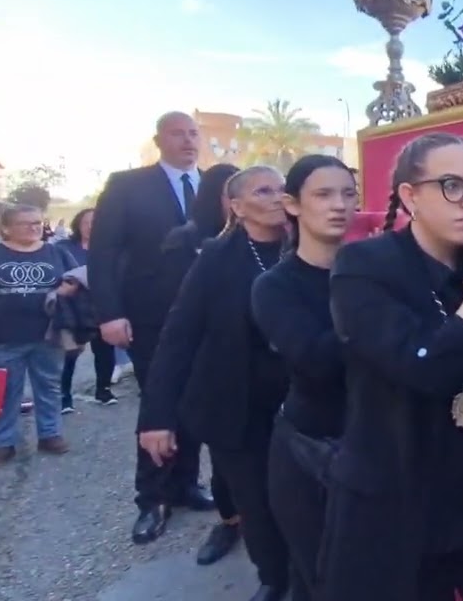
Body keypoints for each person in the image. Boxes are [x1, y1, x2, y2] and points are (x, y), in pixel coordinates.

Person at [321, 132, 463, 601]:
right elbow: (428, 367)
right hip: (394, 497)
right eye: (452, 186)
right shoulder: (363, 266)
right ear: (410, 196)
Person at [139, 165, 291, 601]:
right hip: (234, 404)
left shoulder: (307, 248)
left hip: (298, 402)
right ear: (238, 207)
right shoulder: (215, 259)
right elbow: (178, 336)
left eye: (283, 188)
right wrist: (157, 417)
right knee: (257, 504)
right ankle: (274, 578)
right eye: (264, 190)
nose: (278, 196)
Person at [89, 110, 215, 543]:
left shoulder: (214, 186)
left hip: (207, 316)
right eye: (177, 134)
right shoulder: (128, 186)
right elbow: (102, 253)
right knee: (159, 402)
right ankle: (153, 498)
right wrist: (108, 312)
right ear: (159, 140)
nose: (187, 141)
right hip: (149, 315)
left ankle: (186, 484)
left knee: (197, 400)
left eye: (193, 133)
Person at [252, 154, 358, 601]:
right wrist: (380, 315)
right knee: (321, 579)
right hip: (310, 453)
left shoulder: (373, 268)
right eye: (324, 194)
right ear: (292, 205)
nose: (339, 205)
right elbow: (317, 361)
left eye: (349, 194)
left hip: (376, 447)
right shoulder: (276, 286)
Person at [154, 162, 244, 567]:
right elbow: (179, 325)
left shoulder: (280, 242)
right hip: (211, 370)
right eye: (236, 191)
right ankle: (228, 522)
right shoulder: (187, 243)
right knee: (224, 461)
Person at [0, 204, 78, 468]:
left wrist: (68, 289)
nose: (34, 227)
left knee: (49, 386)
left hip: (48, 334)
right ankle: (1, 442)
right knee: (3, 392)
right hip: (2, 336)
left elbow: (78, 278)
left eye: (38, 222)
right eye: (25, 223)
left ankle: (50, 434)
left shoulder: (56, 252)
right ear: (6, 228)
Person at [56, 208, 119, 411]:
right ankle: (64, 396)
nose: (91, 226)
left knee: (105, 349)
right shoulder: (63, 247)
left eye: (96, 222)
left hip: (101, 305)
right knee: (70, 352)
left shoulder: (110, 247)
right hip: (73, 307)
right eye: (86, 222)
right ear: (78, 224)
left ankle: (104, 389)